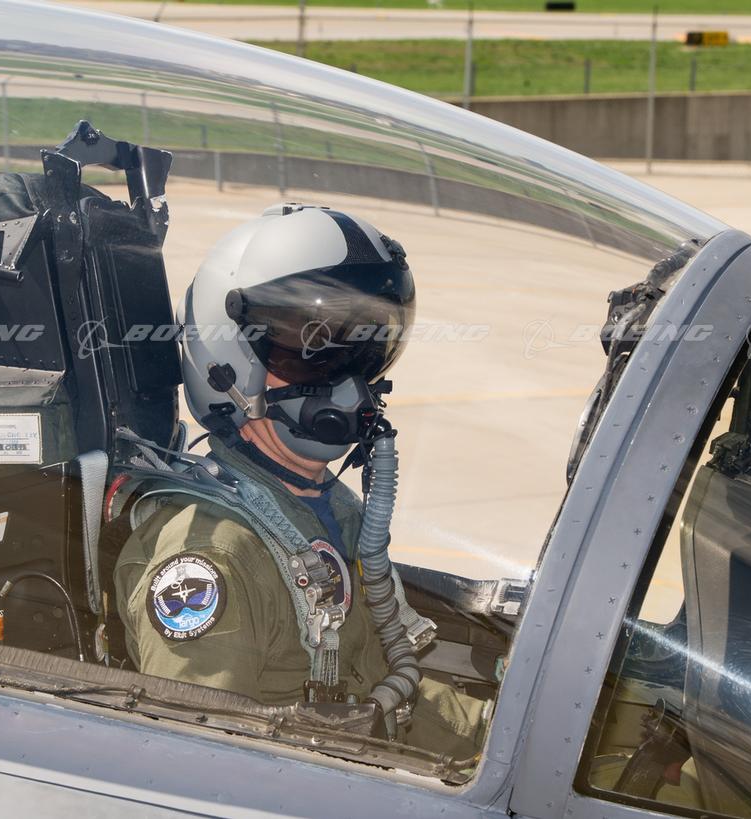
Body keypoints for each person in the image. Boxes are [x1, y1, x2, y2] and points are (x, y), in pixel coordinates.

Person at [113, 204, 486, 757]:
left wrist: (507, 735)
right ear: (226, 363)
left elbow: (379, 687)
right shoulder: (213, 556)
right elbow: (200, 764)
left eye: (362, 351)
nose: (350, 385)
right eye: (313, 351)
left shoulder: (326, 506)